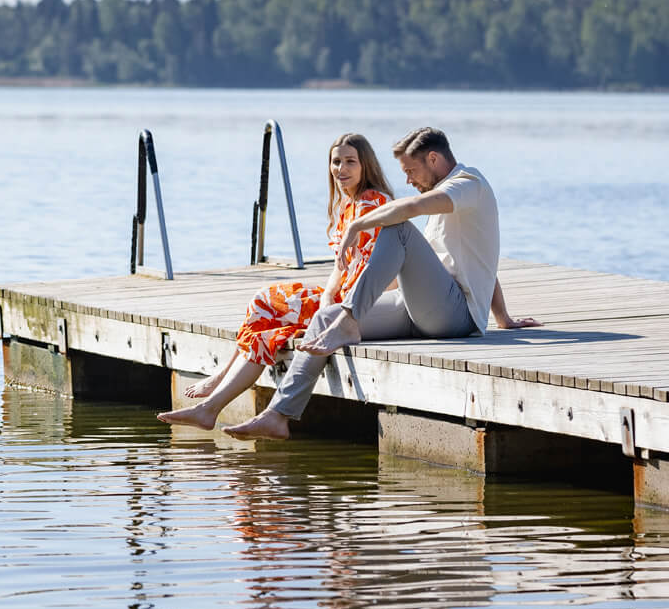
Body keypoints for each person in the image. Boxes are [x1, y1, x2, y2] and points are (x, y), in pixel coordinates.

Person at [223, 126, 540, 441]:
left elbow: (411, 208)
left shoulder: (468, 184)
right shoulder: (451, 197)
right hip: (423, 309)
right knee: (325, 317)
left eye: (411, 171)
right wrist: (503, 318)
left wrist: (357, 225)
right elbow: (482, 259)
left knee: (397, 228)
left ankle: (350, 319)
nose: (408, 181)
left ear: (433, 159)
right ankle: (278, 415)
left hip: (454, 316)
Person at [159, 133, 395, 429]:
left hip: (358, 303)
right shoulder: (351, 202)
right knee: (265, 305)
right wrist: (327, 295)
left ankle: (212, 401)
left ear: (366, 165)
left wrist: (336, 307)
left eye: (350, 162)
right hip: (338, 296)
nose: (341, 169)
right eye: (336, 162)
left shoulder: (372, 203)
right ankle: (213, 398)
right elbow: (342, 264)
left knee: (265, 320)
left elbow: (379, 269)